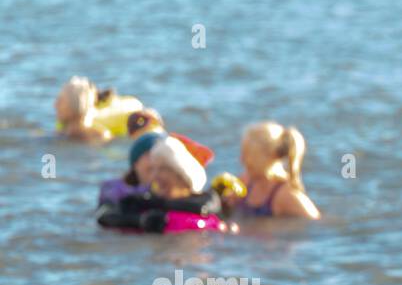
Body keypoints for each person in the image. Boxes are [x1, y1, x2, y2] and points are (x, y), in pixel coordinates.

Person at [96, 136, 228, 233]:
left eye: (163, 169)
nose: (154, 177)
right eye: (154, 169)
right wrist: (141, 221)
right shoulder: (142, 204)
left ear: (182, 177)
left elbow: (180, 268)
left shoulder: (207, 213)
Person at [233, 122, 320, 219]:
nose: (241, 160)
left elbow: (314, 221)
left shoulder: (285, 195)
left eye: (247, 155)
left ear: (267, 158)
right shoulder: (245, 182)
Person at [54, 76, 142, 141]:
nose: (55, 105)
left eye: (61, 102)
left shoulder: (100, 136)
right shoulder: (61, 134)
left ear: (75, 106)